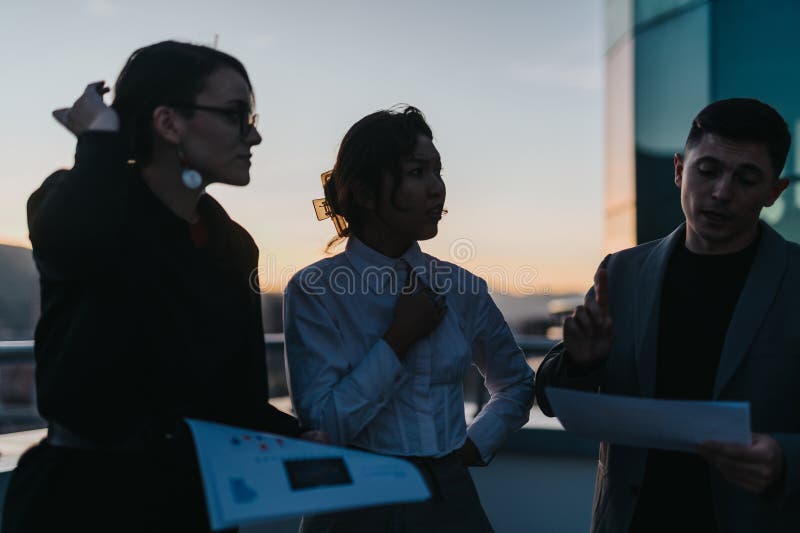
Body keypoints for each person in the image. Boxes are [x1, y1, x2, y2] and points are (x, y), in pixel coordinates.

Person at [1, 41, 301, 533]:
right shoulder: (71, 203)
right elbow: (75, 241)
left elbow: (236, 397)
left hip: (188, 501)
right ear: (167, 123)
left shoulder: (231, 245)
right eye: (236, 114)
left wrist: (305, 436)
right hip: (82, 505)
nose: (255, 135)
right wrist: (99, 139)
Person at [535, 98, 800, 533]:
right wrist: (582, 361)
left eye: (746, 178)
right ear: (679, 169)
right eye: (707, 170)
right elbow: (549, 397)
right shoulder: (620, 274)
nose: (721, 192)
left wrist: (786, 461)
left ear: (774, 192)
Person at [283, 106, 535, 532]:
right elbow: (324, 425)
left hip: (449, 500)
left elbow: (516, 383)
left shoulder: (461, 287)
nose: (437, 189)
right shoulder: (314, 290)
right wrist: (397, 339)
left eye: (438, 172)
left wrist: (470, 449)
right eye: (418, 173)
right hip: (351, 504)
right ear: (363, 192)